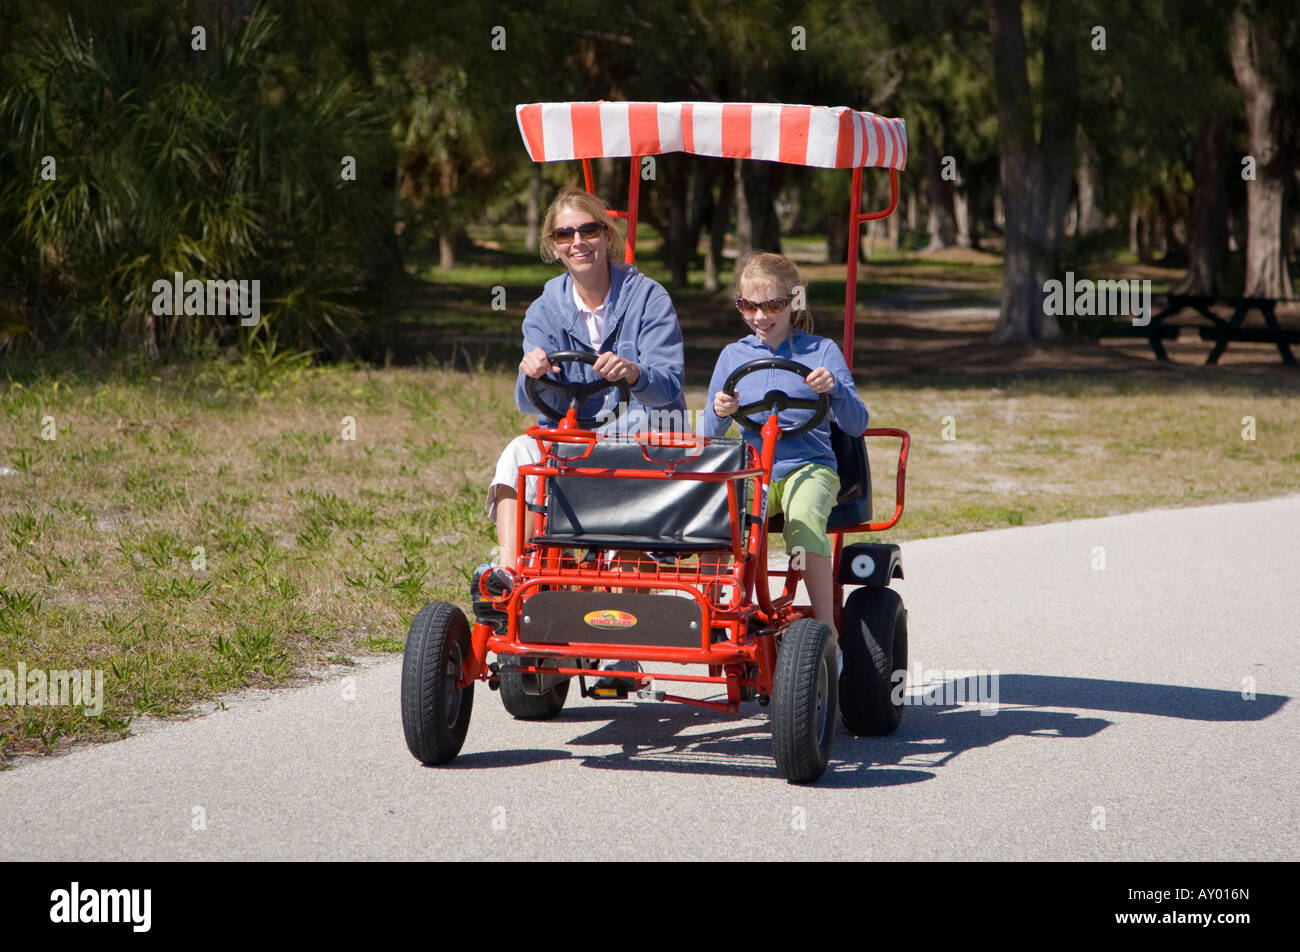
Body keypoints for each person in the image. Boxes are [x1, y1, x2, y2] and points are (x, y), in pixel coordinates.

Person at [473, 187, 687, 679]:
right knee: (519, 452)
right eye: (565, 233)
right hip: (574, 437)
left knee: (635, 444)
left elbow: (670, 385)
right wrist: (531, 372)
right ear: (552, 245)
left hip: (641, 432)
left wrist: (634, 373)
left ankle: (621, 629)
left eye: (588, 230)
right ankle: (513, 578)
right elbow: (530, 402)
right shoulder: (545, 309)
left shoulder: (648, 298)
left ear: (607, 236)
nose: (578, 241)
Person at [699, 251, 869, 658]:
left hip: (808, 466)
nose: (760, 316)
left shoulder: (821, 351)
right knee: (713, 513)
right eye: (748, 305)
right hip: (753, 468)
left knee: (804, 517)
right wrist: (720, 411)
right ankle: (719, 612)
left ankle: (828, 633)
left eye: (771, 305)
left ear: (794, 301)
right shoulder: (732, 356)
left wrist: (834, 389)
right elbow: (708, 433)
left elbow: (857, 423)